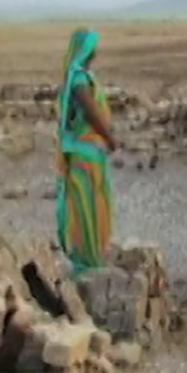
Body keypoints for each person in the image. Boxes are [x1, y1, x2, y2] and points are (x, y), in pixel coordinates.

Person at [56, 28, 116, 271]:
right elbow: (91, 112)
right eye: (93, 47)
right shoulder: (79, 79)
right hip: (86, 155)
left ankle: (89, 257)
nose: (96, 52)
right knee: (88, 206)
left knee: (87, 204)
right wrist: (110, 138)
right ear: (85, 50)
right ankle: (88, 261)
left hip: (84, 151)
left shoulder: (74, 76)